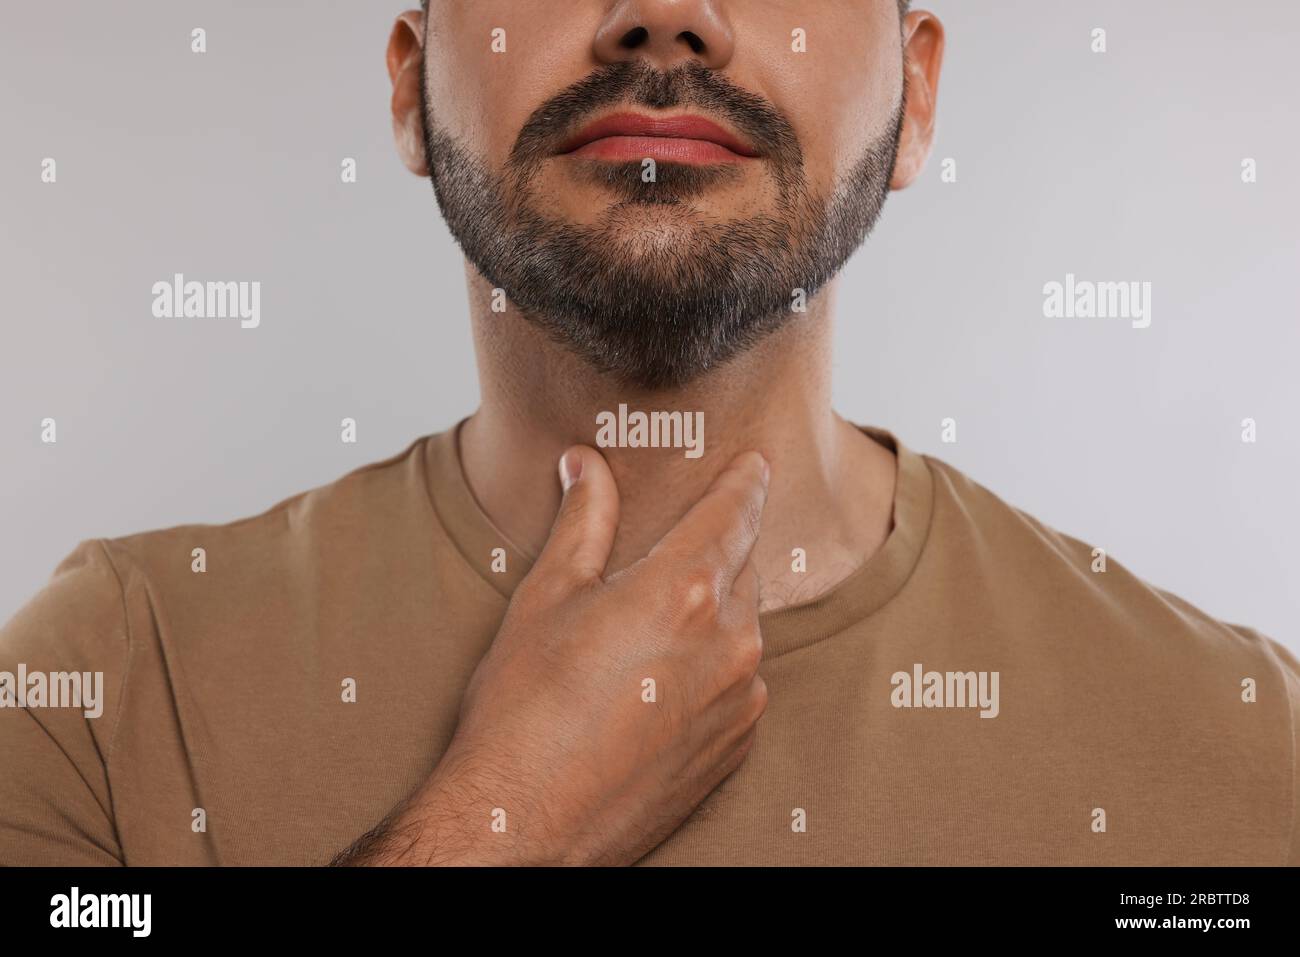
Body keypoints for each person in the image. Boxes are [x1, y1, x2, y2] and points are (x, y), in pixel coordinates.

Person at [2, 1, 1295, 866]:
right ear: (411, 86)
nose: (669, 10)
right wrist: (507, 823)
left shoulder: (1255, 759)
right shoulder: (103, 698)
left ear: (917, 88)